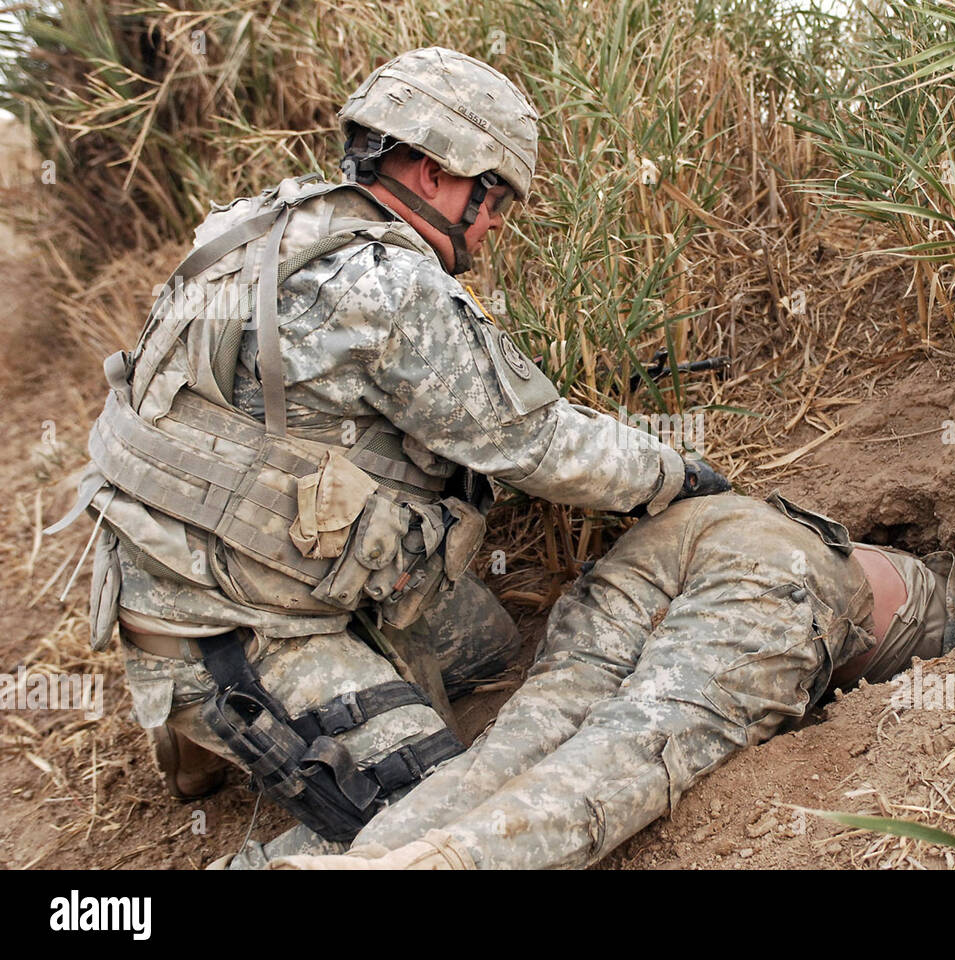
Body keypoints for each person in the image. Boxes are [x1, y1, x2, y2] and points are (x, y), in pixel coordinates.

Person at [46, 47, 730, 852]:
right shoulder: (386, 284)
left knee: (487, 653)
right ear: (438, 169)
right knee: (439, 820)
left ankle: (199, 716)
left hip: (187, 557)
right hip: (233, 626)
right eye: (497, 193)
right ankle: (199, 710)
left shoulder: (260, 223)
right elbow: (538, 444)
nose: (499, 220)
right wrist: (675, 474)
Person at [268, 491, 955, 870]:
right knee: (641, 739)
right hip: (777, 571)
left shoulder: (869, 554)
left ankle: (368, 858)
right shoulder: (943, 613)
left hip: (680, 533)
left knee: (523, 734)